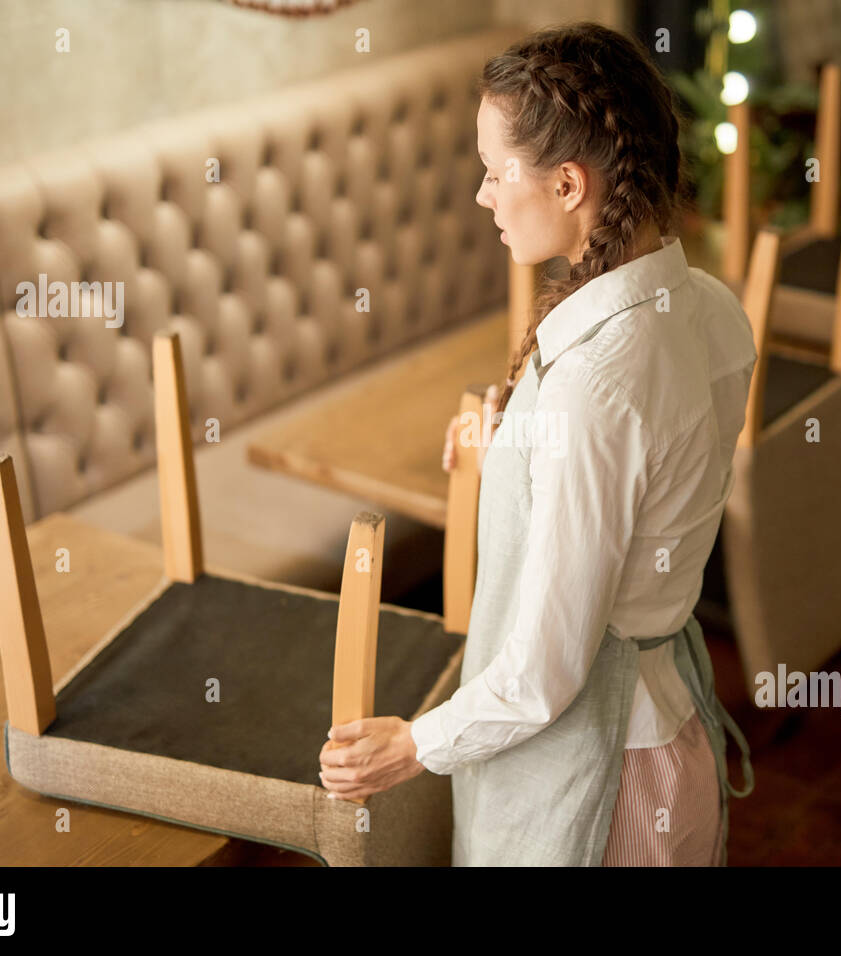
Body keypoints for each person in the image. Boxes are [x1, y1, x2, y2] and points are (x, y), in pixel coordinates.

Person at [318, 20, 756, 866]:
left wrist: (411, 746)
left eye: (493, 173)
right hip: (670, 749)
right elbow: (651, 475)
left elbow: (545, 674)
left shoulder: (599, 381)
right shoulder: (709, 306)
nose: (482, 195)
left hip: (602, 780)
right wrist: (518, 433)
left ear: (565, 184)